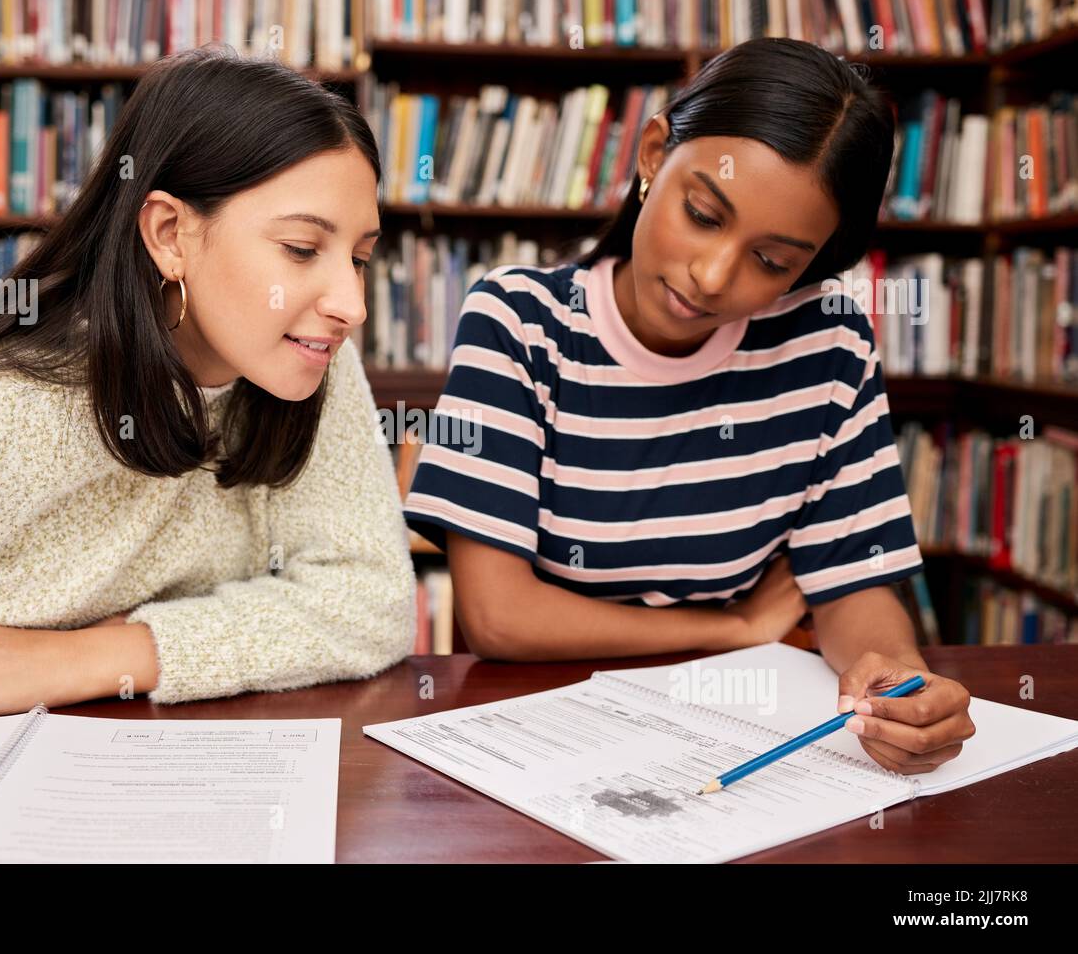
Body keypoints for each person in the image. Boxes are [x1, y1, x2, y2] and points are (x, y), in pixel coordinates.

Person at [0, 48, 415, 717]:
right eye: (302, 250)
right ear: (169, 234)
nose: (352, 303)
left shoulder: (305, 358)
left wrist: (90, 658)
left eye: (361, 258)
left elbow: (371, 598)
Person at [405, 38, 974, 775]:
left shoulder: (826, 345)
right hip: (538, 731)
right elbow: (499, 617)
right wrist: (735, 625)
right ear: (651, 155)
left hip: (727, 721)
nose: (710, 276)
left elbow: (851, 583)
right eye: (704, 213)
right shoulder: (517, 321)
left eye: (772, 261)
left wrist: (894, 674)